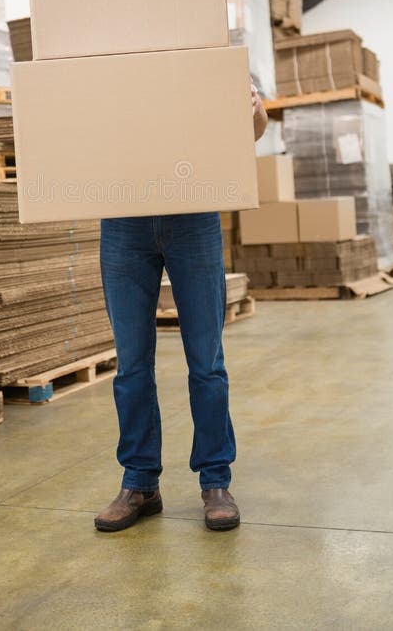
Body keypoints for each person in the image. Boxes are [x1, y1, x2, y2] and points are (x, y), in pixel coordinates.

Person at [95, 82, 268, 532]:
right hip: (123, 214)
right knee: (131, 363)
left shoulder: (202, 52)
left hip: (193, 211)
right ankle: (140, 482)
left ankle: (215, 482)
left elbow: (254, 130)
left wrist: (253, 110)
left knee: (206, 361)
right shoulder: (103, 58)